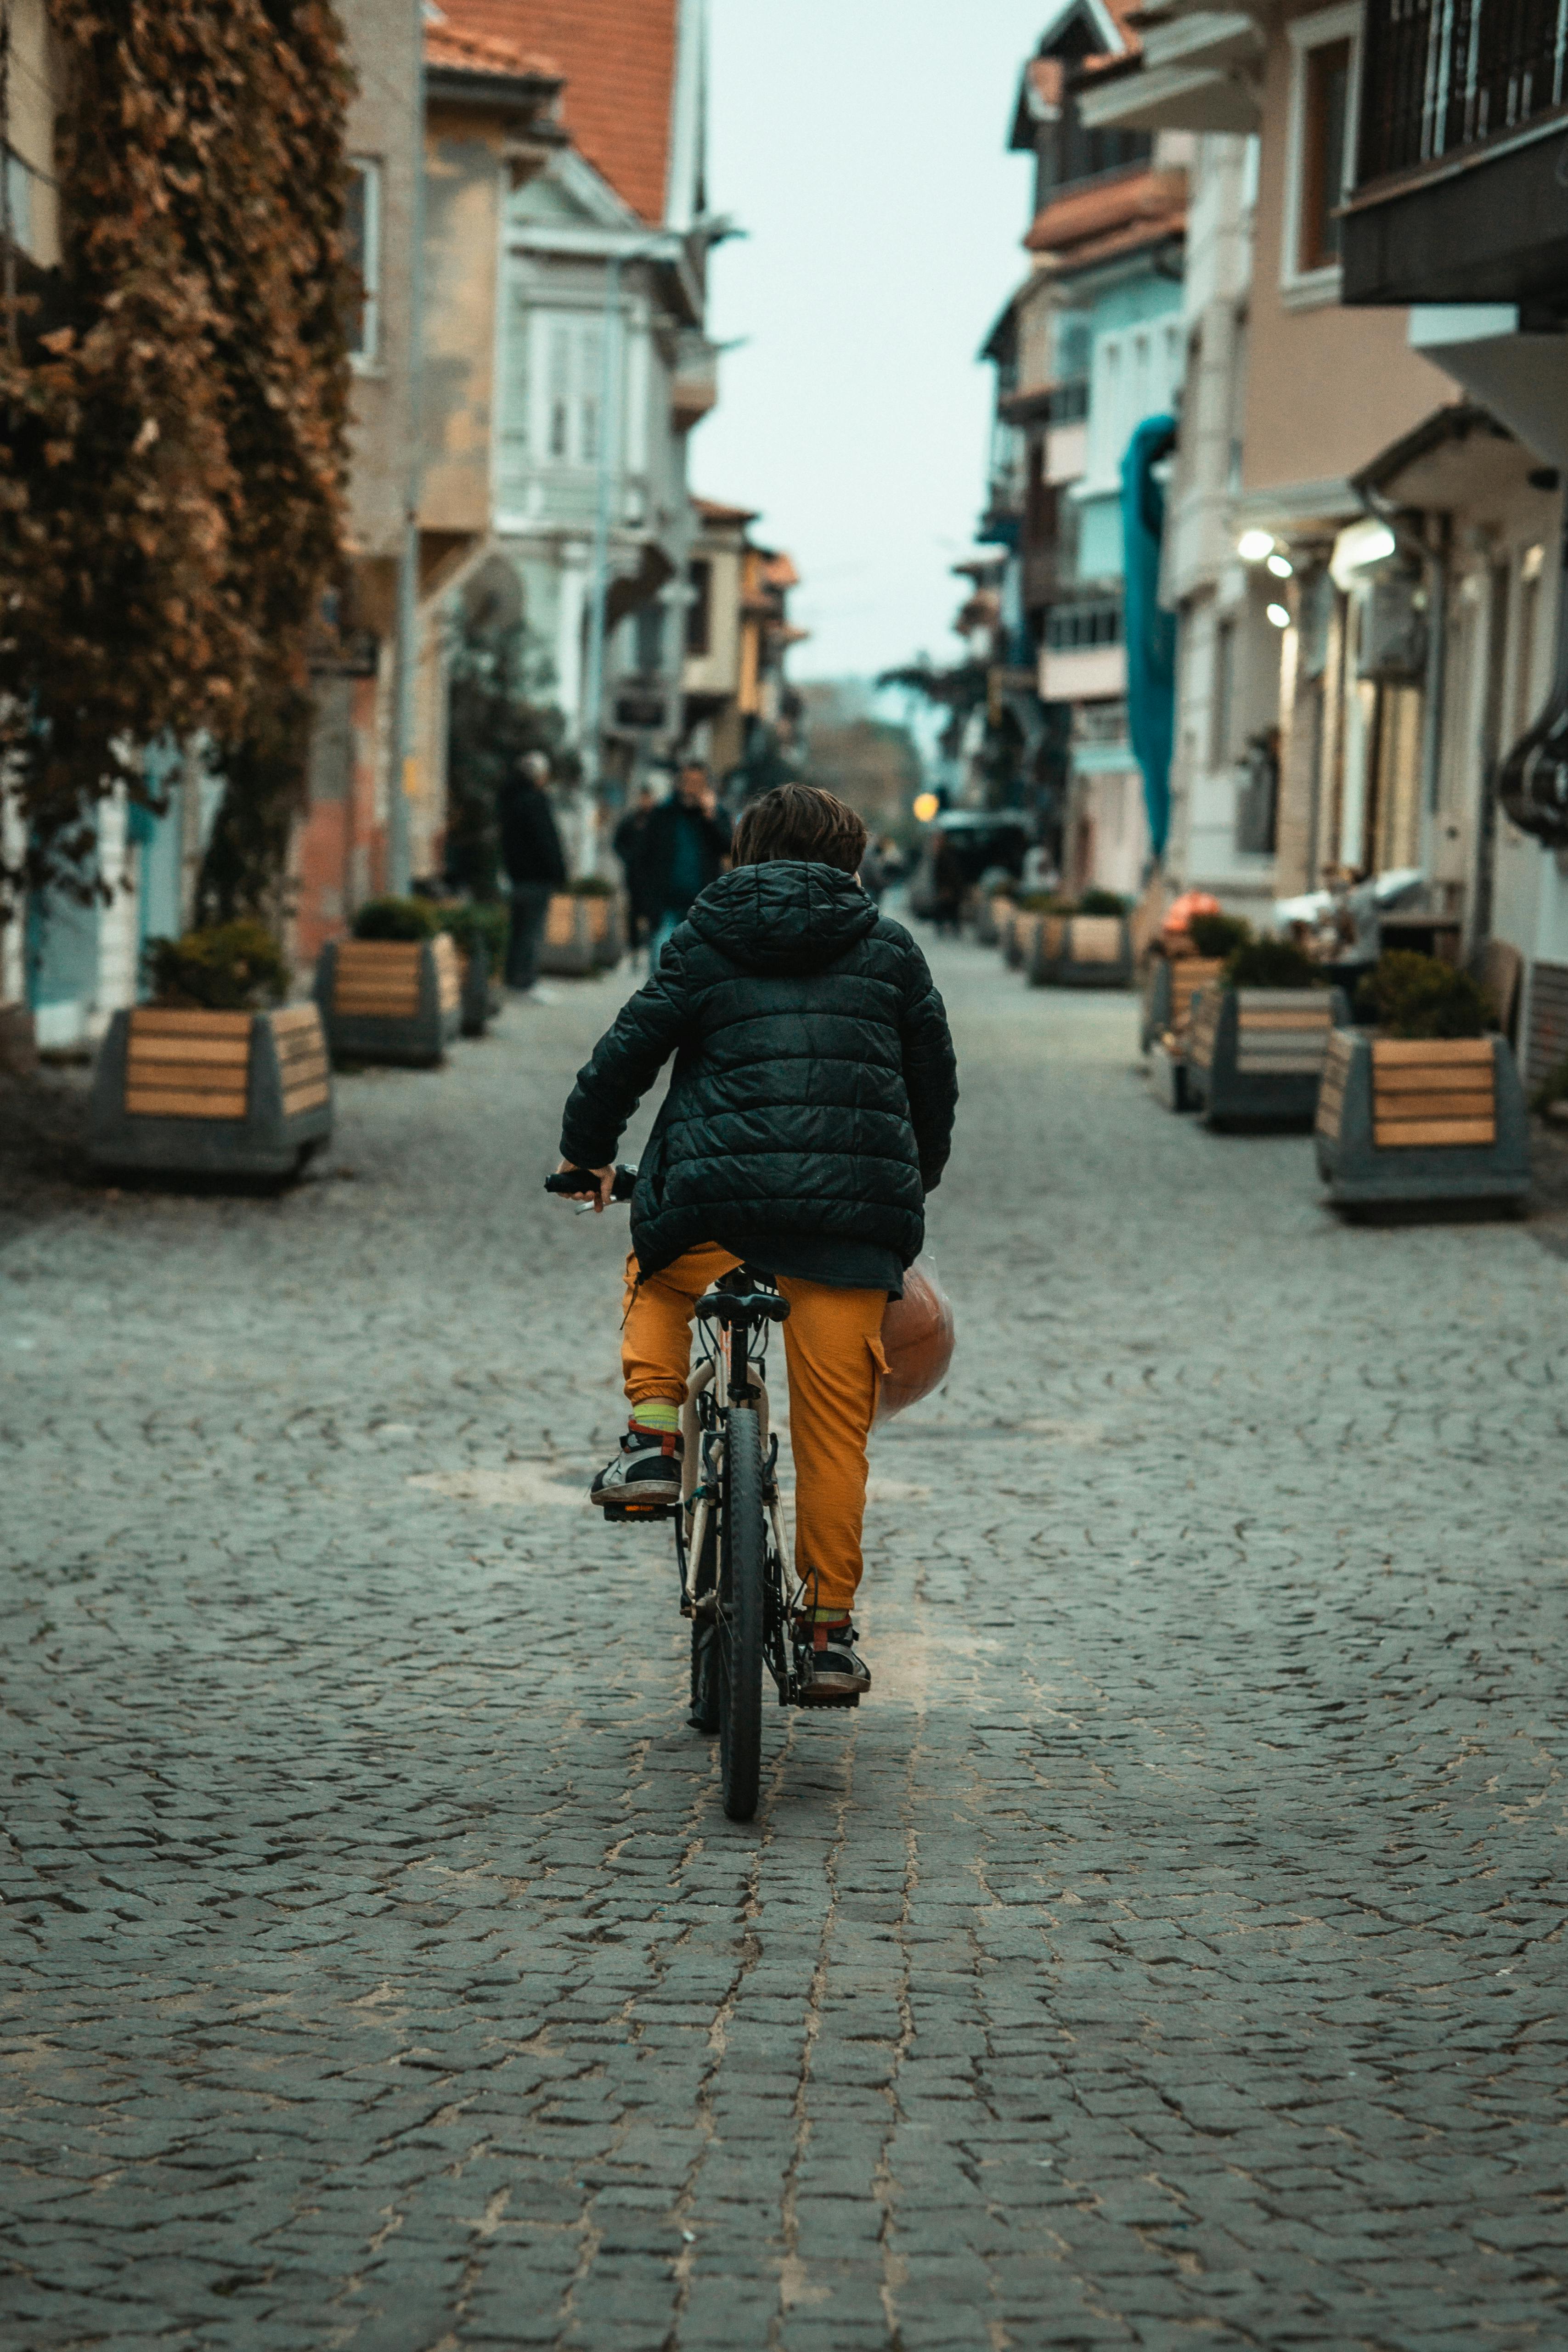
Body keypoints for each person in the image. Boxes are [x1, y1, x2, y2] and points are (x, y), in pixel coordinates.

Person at [553, 783, 959, 1703]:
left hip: (711, 1205)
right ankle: (823, 1636)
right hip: (845, 1229)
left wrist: (586, 1154)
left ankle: (656, 1440)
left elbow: (628, 1051)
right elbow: (933, 1084)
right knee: (833, 1430)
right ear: (852, 861)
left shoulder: (705, 937)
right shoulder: (892, 950)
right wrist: (909, 1182)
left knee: (656, 1279)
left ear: (743, 853)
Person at [639, 761, 733, 962]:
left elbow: (728, 846)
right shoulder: (663, 815)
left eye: (698, 783)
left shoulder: (715, 815)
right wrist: (646, 905)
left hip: (702, 907)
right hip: (666, 906)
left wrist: (711, 816)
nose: (692, 788)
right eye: (688, 782)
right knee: (661, 961)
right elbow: (643, 860)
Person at [498, 751, 566, 997]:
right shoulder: (536, 802)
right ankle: (526, 983)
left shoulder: (509, 800)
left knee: (518, 931)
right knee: (532, 932)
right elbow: (547, 841)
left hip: (517, 877)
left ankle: (513, 979)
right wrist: (559, 872)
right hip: (538, 878)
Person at [613, 784, 659, 954]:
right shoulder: (631, 820)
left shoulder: (657, 820)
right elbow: (618, 843)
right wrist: (629, 858)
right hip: (634, 874)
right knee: (634, 910)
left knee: (650, 910)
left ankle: (649, 941)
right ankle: (634, 945)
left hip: (653, 876)